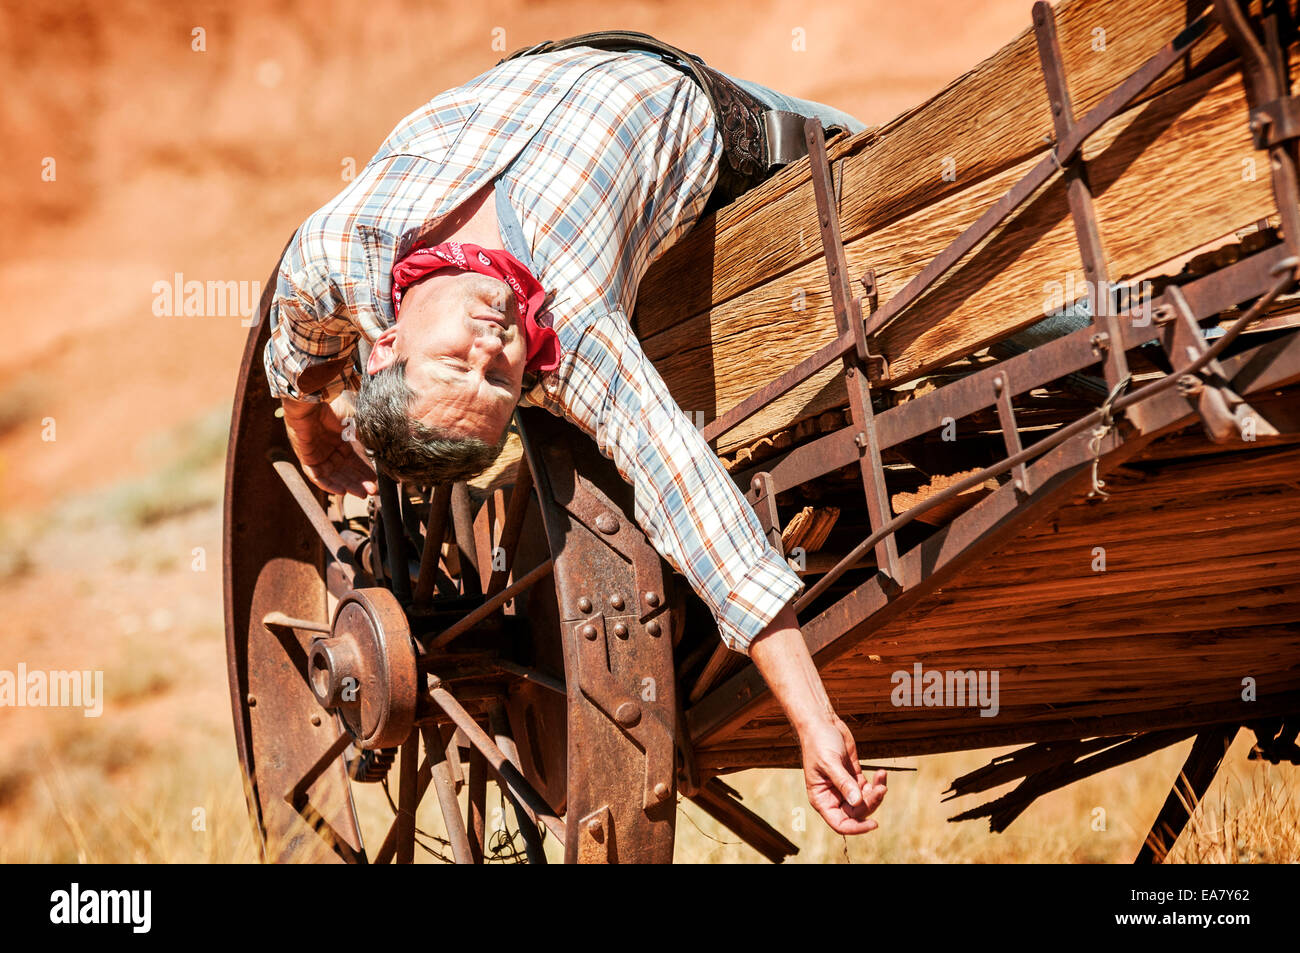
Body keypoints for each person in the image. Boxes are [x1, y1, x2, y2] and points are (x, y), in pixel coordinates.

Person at [265, 33, 888, 835]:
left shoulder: (341, 245)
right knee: (916, 171)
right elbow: (694, 505)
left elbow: (295, 332)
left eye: (458, 363)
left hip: (567, 52)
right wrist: (813, 719)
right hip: (742, 128)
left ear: (385, 343)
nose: (493, 349)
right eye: (498, 383)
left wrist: (311, 431)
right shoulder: (577, 336)